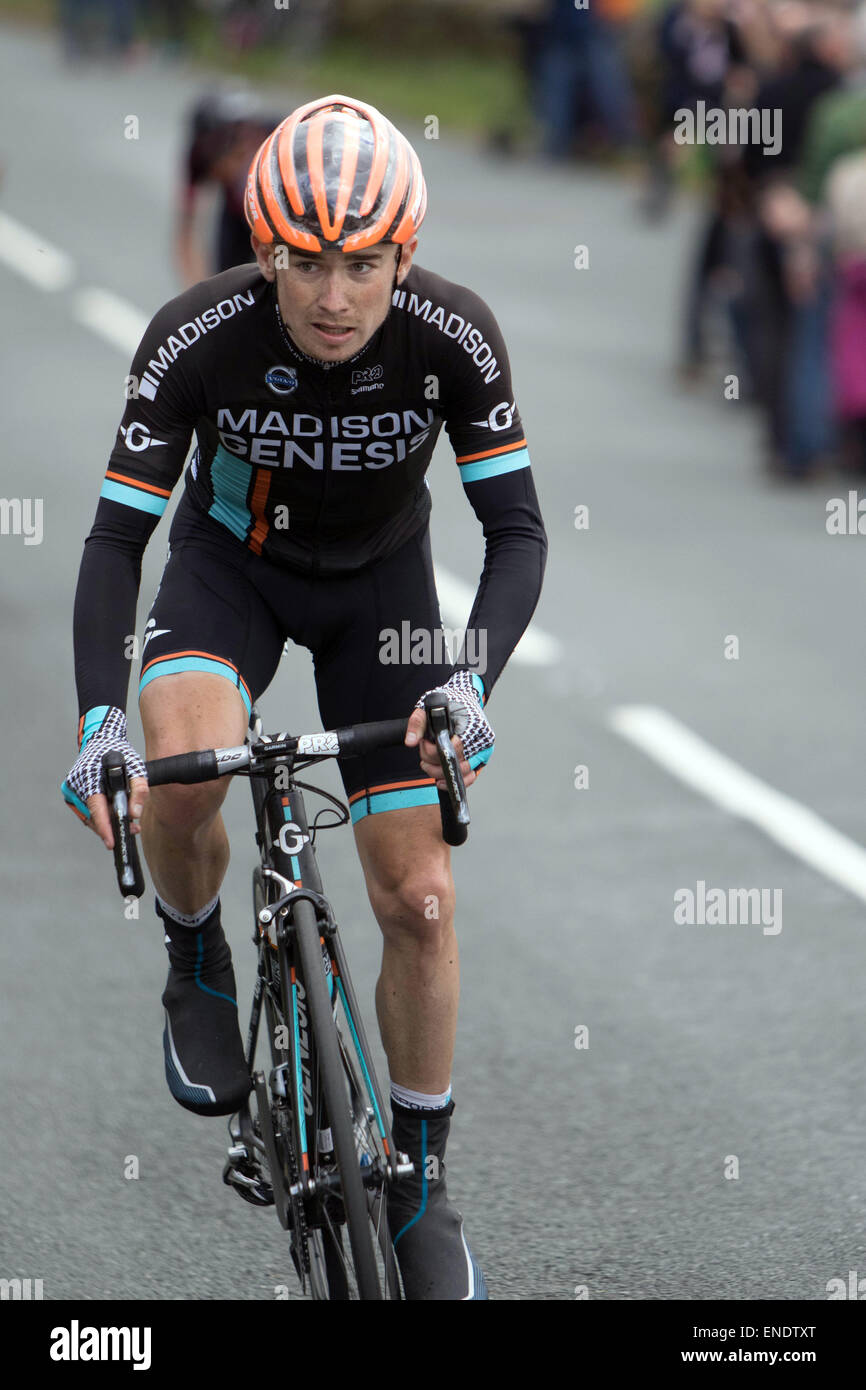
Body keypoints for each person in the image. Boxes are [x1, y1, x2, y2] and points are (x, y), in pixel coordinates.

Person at [61, 94, 548, 1300]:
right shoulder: (196, 334)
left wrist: (469, 683)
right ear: (264, 250)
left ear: (403, 256)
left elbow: (517, 532)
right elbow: (117, 541)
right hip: (229, 573)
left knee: (419, 897)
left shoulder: (452, 335)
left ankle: (419, 1180)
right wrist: (98, 723)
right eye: (307, 263)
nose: (335, 296)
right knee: (182, 772)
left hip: (379, 590)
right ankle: (195, 954)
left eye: (363, 265)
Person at [176, 89, 282, 286]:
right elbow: (186, 231)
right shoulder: (199, 158)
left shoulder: (278, 136)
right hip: (237, 215)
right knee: (227, 282)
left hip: (277, 214)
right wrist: (198, 290)